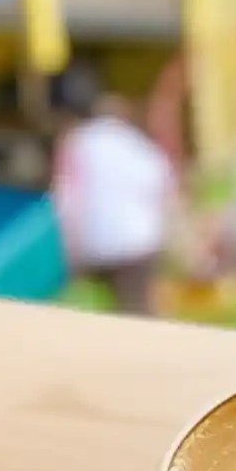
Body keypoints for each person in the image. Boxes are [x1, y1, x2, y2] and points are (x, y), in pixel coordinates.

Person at [50, 61, 177, 315]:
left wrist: (70, 252)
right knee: (137, 309)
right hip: (137, 241)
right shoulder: (120, 135)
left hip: (96, 245)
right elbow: (159, 175)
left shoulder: (73, 144)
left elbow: (66, 203)